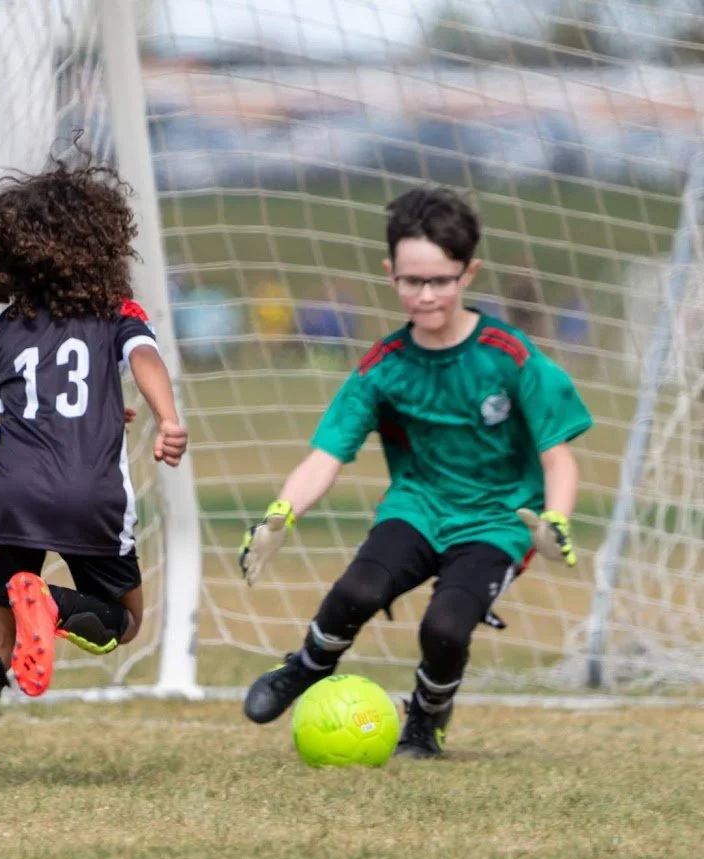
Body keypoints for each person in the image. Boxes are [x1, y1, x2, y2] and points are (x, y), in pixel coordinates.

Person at [239, 187, 592, 758]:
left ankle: (426, 719)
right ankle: (305, 667)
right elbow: (327, 454)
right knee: (357, 589)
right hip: (418, 508)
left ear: (468, 272)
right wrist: (282, 513)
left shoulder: (511, 355)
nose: (426, 295)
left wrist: (557, 518)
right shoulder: (384, 366)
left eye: (441, 281)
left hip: (497, 522)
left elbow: (558, 455)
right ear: (391, 273)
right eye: (412, 281)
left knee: (446, 628)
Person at [0, 157, 189, 785]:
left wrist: (91, 415)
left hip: (8, 492)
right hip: (88, 493)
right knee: (125, 623)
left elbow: (4, 424)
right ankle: (56, 608)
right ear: (100, 242)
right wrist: (166, 418)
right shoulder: (114, 310)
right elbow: (143, 354)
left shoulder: (2, 329)